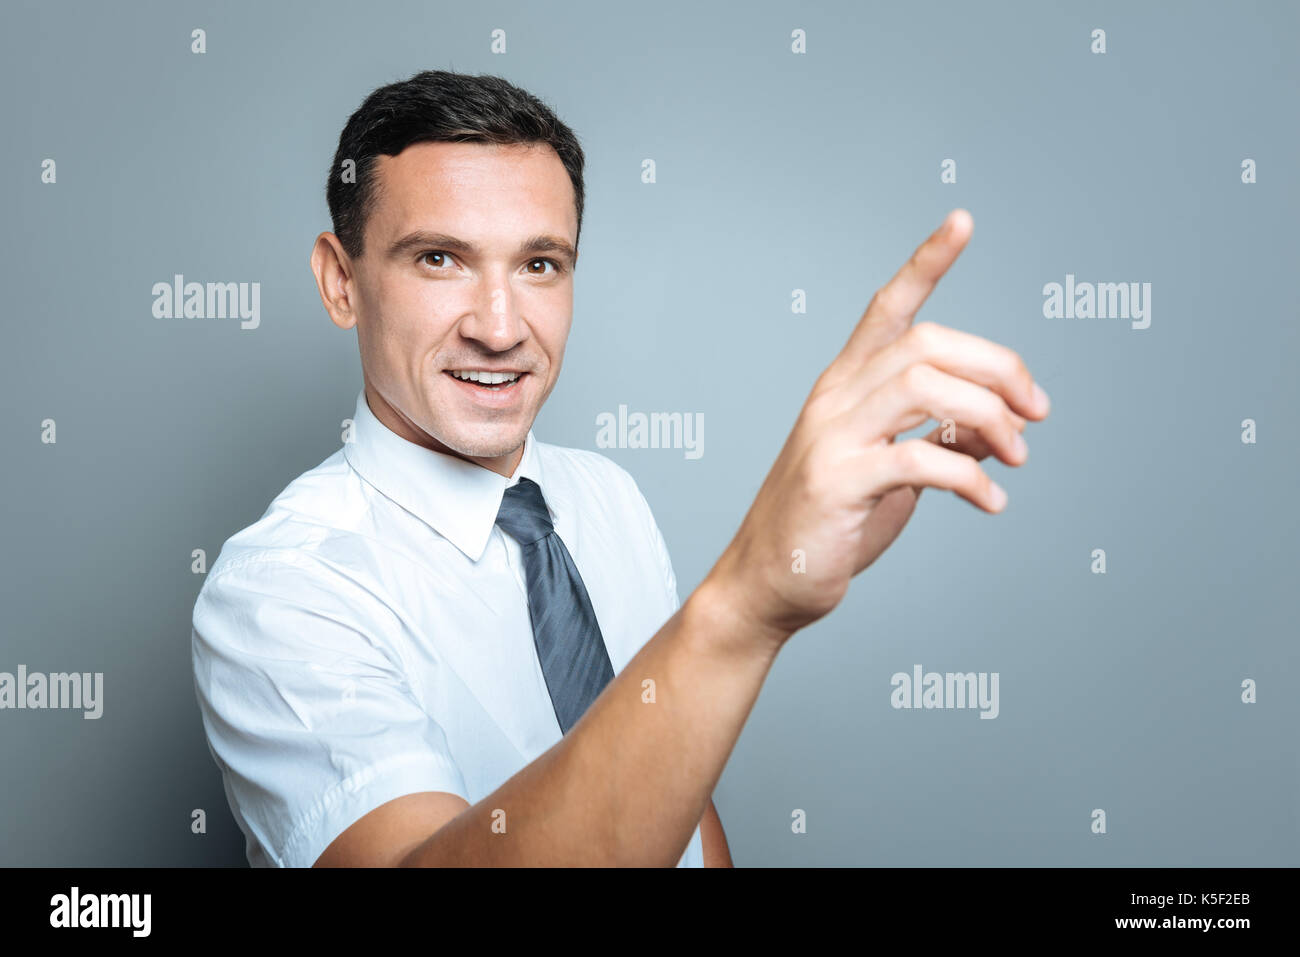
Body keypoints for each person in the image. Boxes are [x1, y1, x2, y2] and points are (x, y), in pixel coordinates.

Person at [191, 69, 1050, 868]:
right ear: (341, 282)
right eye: (439, 259)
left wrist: (763, 603)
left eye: (539, 264)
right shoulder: (281, 591)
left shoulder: (605, 497)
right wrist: (749, 602)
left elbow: (677, 802)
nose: (499, 325)